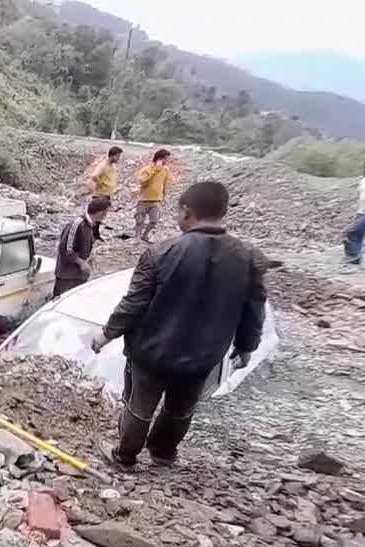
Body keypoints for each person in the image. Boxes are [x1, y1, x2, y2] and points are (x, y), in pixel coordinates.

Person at [91, 181, 267, 471]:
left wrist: (107, 333)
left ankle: (125, 458)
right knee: (181, 408)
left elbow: (134, 304)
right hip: (204, 355)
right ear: (222, 212)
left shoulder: (161, 252)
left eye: (177, 212)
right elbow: (254, 308)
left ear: (186, 211)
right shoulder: (248, 258)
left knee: (140, 406)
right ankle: (163, 454)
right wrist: (246, 346)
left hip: (152, 350)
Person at [53, 196, 110, 298]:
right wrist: (81, 263)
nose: (106, 215)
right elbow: (65, 248)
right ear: (101, 212)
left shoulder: (92, 225)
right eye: (106, 212)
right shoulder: (77, 224)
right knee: (62, 301)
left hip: (80, 274)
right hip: (67, 276)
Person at [134, 149, 172, 242]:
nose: (166, 161)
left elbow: (164, 184)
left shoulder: (165, 170)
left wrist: (164, 196)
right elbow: (142, 181)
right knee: (139, 220)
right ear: (159, 159)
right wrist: (154, 170)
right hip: (144, 199)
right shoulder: (147, 169)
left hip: (156, 200)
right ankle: (137, 237)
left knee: (154, 221)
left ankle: (145, 235)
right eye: (165, 159)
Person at [85, 146, 123, 241]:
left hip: (106, 195)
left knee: (101, 216)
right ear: (112, 155)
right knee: (96, 215)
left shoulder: (112, 166)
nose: (119, 158)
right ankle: (90, 235)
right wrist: (102, 184)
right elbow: (94, 176)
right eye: (118, 156)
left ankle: (95, 234)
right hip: (100, 195)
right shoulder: (103, 165)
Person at [343, 165, 365, 264]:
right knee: (357, 234)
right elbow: (360, 197)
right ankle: (355, 257)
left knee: (353, 231)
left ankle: (353, 256)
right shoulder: (363, 181)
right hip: (361, 211)